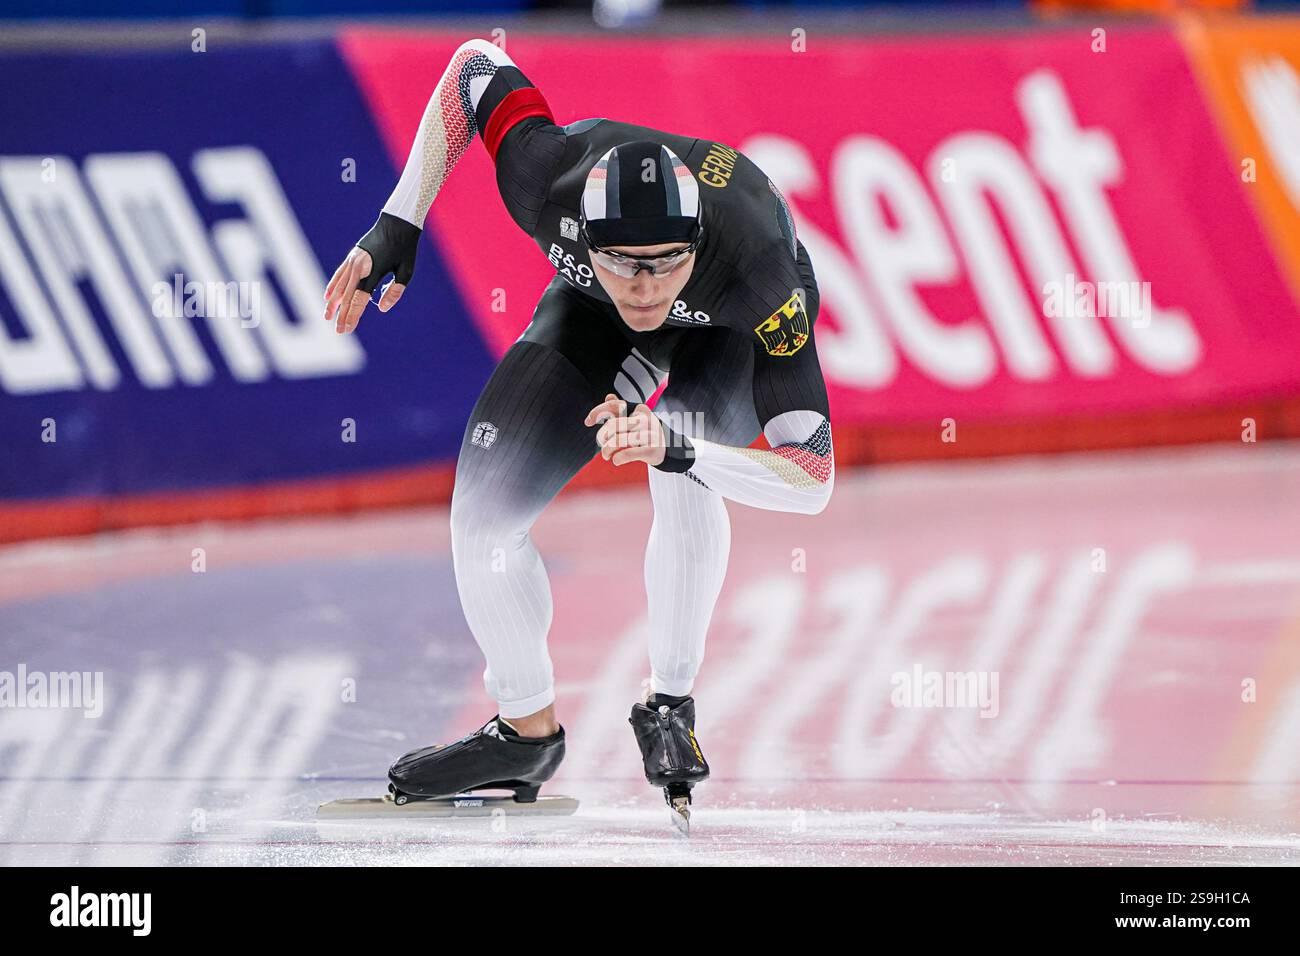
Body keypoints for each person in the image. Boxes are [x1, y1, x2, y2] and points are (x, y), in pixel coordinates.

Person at [323, 38, 834, 823]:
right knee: (482, 515)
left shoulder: (762, 276)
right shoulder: (544, 178)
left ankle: (669, 704)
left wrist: (678, 447)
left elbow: (813, 476)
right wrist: (399, 220)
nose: (644, 285)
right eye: (621, 262)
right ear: (580, 239)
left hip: (724, 327)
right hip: (585, 314)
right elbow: (471, 68)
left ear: (695, 246)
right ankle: (524, 732)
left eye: (664, 263)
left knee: (683, 459)